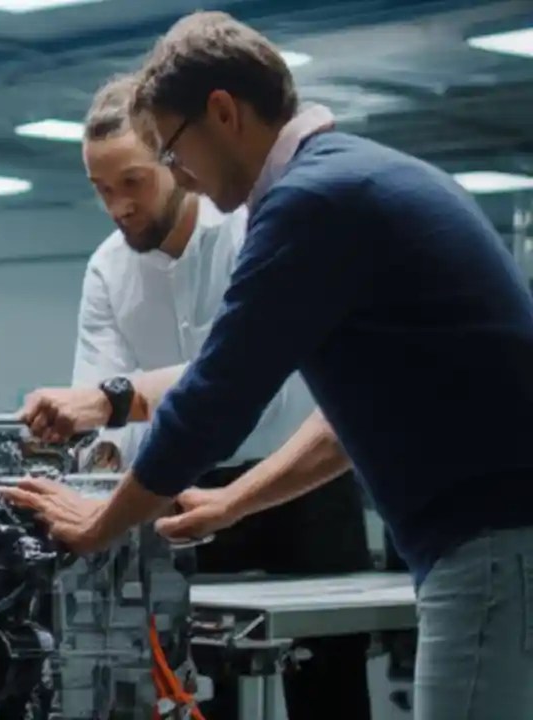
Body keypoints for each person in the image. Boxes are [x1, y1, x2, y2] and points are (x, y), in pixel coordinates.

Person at [4, 11, 533, 718]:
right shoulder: (353, 178)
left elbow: (215, 397)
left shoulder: (308, 204)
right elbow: (347, 425)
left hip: (493, 545)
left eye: (170, 150)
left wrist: (103, 525)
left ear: (222, 113)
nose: (176, 174)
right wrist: (232, 501)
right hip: (498, 539)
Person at [69, 73, 371, 720]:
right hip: (191, 491)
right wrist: (94, 484)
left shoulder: (252, 230)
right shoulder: (107, 269)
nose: (118, 204)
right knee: (209, 684)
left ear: (172, 161)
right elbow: (101, 405)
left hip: (302, 486)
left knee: (331, 691)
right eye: (101, 190)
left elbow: (238, 376)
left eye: (132, 182)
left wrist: (114, 405)